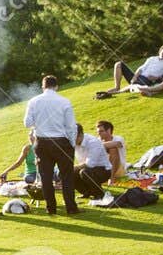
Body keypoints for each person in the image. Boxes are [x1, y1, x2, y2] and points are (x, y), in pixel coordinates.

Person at [23, 75, 79, 215]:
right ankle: (71, 208)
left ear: (43, 86)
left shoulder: (34, 101)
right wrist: (71, 144)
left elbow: (27, 123)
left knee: (46, 177)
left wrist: (38, 124)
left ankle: (51, 208)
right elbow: (71, 127)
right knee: (67, 176)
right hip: (62, 141)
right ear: (57, 86)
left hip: (42, 142)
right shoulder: (64, 101)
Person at [99, 46, 163, 96]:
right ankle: (117, 87)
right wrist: (135, 77)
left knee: (136, 86)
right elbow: (141, 68)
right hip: (137, 77)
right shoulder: (152, 58)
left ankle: (113, 93)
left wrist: (156, 78)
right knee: (119, 64)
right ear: (160, 51)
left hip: (146, 80)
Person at [73, 125, 114, 199]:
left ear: (80, 135)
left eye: (73, 137)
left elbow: (90, 164)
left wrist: (73, 167)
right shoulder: (73, 142)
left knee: (84, 172)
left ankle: (99, 194)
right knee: (69, 172)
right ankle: (86, 192)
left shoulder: (93, 142)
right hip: (87, 168)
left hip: (104, 170)